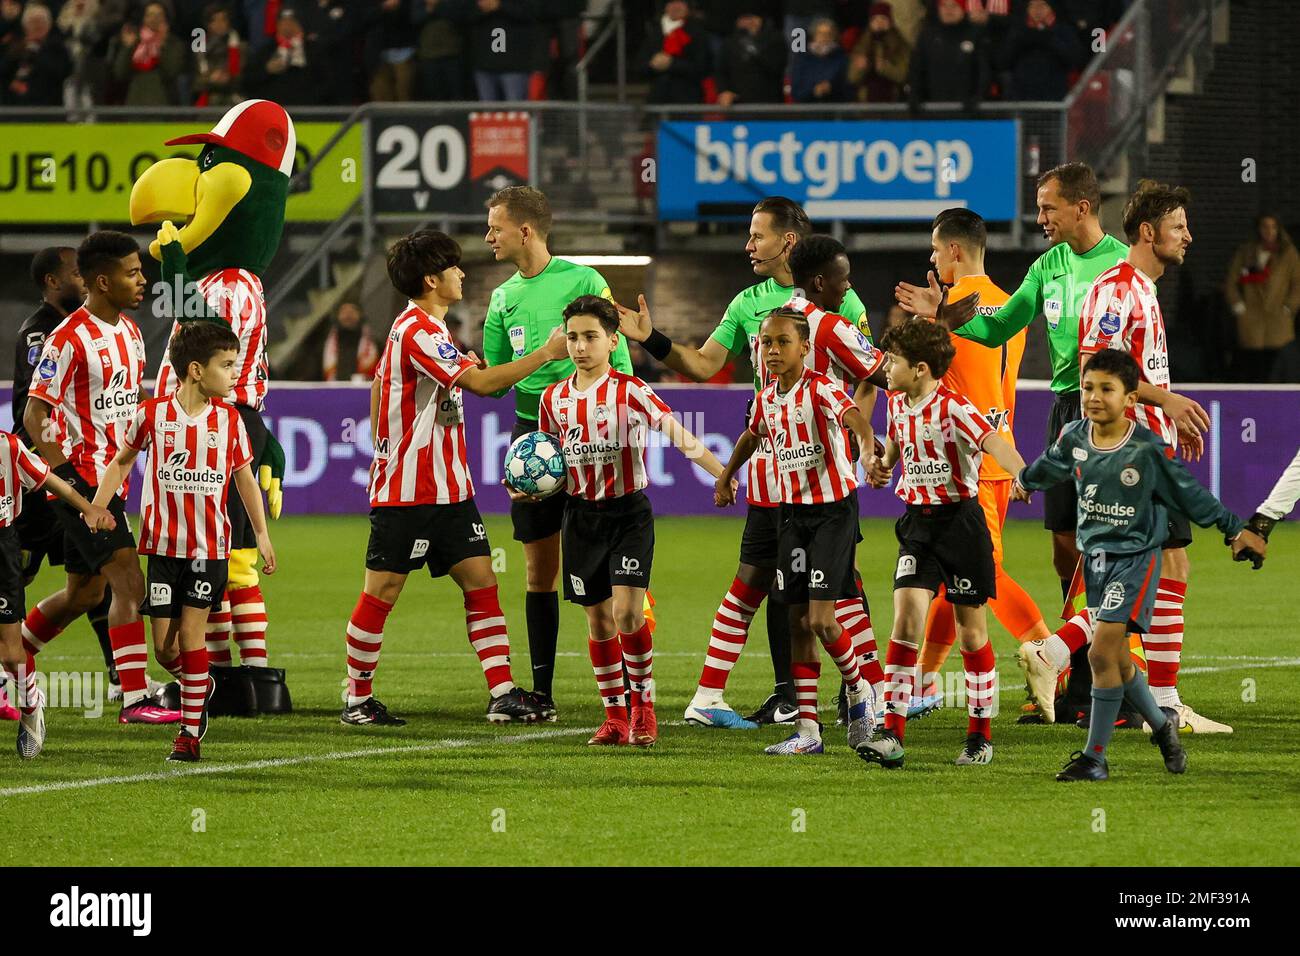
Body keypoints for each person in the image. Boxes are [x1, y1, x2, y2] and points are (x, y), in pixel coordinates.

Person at [617, 197, 871, 726]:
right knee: (782, 581)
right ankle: (817, 694)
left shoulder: (836, 299)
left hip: (822, 474)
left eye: (757, 236)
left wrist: (856, 444)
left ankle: (847, 691)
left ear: (789, 242)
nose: (748, 245)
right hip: (775, 470)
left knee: (820, 582)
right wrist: (653, 341)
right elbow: (706, 364)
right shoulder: (745, 304)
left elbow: (866, 376)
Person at [896, 163, 1130, 721]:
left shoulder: (1122, 263)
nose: (1039, 217)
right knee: (1058, 554)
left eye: (1048, 207)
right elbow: (998, 334)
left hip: (997, 452)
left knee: (986, 573)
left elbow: (958, 396)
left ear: (1082, 205)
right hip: (1050, 422)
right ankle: (945, 678)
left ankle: (1083, 669)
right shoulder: (1030, 278)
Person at [341, 230, 569, 727]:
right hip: (408, 491)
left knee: (481, 580)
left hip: (450, 490)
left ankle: (503, 691)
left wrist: (383, 439)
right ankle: (357, 699)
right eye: (454, 267)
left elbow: (382, 383)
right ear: (431, 279)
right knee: (382, 592)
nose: (462, 273)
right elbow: (484, 386)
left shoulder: (429, 331)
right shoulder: (417, 330)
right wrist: (547, 354)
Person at [1017, 349, 1266, 781]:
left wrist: (1234, 529)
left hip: (1137, 562)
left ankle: (1094, 758)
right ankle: (1163, 724)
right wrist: (1024, 481)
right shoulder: (1076, 437)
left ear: (1131, 398)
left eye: (1106, 389)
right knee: (1121, 663)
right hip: (1096, 562)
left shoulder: (1147, 449)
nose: (1094, 397)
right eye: (1088, 387)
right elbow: (1049, 467)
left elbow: (1191, 495)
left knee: (1099, 654)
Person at [682, 235, 888, 730]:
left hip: (784, 485)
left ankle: (733, 696)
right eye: (842, 279)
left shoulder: (774, 322)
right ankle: (870, 691)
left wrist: (732, 476)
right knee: (827, 593)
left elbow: (766, 413)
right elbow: (886, 374)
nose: (848, 287)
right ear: (821, 281)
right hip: (809, 491)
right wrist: (934, 332)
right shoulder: (825, 327)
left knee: (774, 590)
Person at [529, 296, 728, 747]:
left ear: (613, 341)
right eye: (574, 337)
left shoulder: (630, 390)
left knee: (626, 613)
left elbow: (679, 435)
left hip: (627, 515)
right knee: (598, 621)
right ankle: (615, 717)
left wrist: (722, 475)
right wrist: (530, 486)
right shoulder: (553, 398)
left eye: (591, 337)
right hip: (579, 517)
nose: (581, 347)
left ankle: (644, 707)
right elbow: (549, 458)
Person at [1069, 180, 1229, 735]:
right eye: (1179, 227)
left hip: (1145, 444)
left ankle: (1056, 655)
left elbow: (1134, 375)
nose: (1189, 236)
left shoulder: (1142, 290)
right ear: (1147, 231)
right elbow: (1098, 373)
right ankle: (1160, 702)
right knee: (1163, 569)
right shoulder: (1118, 290)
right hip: (1127, 453)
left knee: (1147, 572)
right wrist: (1168, 405)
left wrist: (1168, 417)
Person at [92, 322, 276, 762]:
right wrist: (98, 506)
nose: (236, 373)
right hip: (162, 549)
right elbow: (121, 461)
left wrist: (263, 535)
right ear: (196, 370)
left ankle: (189, 735)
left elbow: (245, 480)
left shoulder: (230, 420)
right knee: (165, 649)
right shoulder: (152, 414)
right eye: (227, 365)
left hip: (209, 550)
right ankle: (200, 683)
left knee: (193, 638)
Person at [481, 186, 633, 720]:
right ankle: (542, 693)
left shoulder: (585, 280)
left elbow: (621, 359)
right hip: (533, 437)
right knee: (538, 570)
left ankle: (633, 690)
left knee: (618, 575)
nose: (487, 236)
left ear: (524, 230)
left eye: (495, 226)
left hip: (589, 429)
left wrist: (625, 424)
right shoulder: (502, 299)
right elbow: (496, 382)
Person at [21, 231, 180, 725]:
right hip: (83, 483)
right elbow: (33, 415)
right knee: (129, 583)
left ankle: (15, 654)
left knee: (84, 593)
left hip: (113, 481)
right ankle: (135, 698)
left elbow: (126, 407)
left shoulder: (130, 332)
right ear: (102, 281)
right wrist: (71, 487)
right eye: (133, 273)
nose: (143, 280)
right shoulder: (67, 338)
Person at [859, 318, 1028, 769]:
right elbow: (895, 447)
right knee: (905, 621)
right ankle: (891, 732)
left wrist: (1020, 472)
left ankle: (979, 736)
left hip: (961, 525)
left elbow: (992, 440)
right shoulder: (897, 403)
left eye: (892, 361)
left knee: (972, 634)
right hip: (917, 526)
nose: (885, 367)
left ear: (919, 369)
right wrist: (882, 466)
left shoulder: (954, 407)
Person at [714, 309, 881, 757]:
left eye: (782, 342)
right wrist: (727, 474)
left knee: (822, 619)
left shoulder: (821, 388)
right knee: (796, 622)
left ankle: (858, 687)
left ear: (805, 348)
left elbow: (855, 420)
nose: (771, 350)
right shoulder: (768, 397)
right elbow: (753, 436)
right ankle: (808, 731)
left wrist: (866, 450)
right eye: (766, 342)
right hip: (791, 517)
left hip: (832, 514)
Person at [912, 209, 1051, 720]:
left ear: (953, 250)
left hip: (960, 461)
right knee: (957, 577)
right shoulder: (1010, 307)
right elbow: (1002, 386)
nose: (931, 257)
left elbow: (919, 383)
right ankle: (926, 680)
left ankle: (1049, 652)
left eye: (934, 247)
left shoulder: (945, 311)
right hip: (997, 451)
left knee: (980, 572)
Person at [7, 247, 121, 720]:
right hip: (38, 476)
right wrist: (62, 468)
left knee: (96, 581)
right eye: (77, 274)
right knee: (17, 575)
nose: (86, 279)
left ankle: (120, 676)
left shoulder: (92, 330)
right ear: (53, 282)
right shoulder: (43, 333)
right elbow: (39, 409)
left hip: (71, 475)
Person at [1, 428, 115, 759]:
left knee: (10, 653)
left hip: (2, 550)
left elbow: (50, 480)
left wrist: (88, 508)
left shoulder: (8, 447)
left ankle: (31, 706)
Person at [1223, 214, 1300, 384]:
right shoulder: (1247, 252)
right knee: (1252, 368)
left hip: (1278, 319)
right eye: (1265, 227)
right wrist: (1238, 306)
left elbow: (1297, 284)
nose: (1269, 232)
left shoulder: (1288, 253)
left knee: (1278, 367)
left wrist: (1289, 308)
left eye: (1273, 227)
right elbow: (1231, 281)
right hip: (1251, 318)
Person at [907, 0, 989, 113]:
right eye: (944, 6)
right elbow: (916, 69)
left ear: (962, 8)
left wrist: (978, 97)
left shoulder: (975, 34)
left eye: (954, 5)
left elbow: (983, 70)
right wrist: (915, 96)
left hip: (967, 113)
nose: (948, 10)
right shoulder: (927, 36)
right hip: (933, 110)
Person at [999, 0, 1084, 102]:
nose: (1037, 9)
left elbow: (1075, 59)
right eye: (1032, 5)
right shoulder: (1017, 32)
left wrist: (1049, 39)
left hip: (1054, 96)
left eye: (1042, 5)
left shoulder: (1064, 30)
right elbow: (1003, 61)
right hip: (1022, 97)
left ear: (1051, 7)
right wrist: (1022, 40)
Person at [108, 2, 188, 105]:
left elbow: (170, 72)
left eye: (158, 15)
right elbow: (120, 73)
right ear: (143, 19)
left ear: (166, 19)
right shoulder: (135, 42)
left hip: (165, 106)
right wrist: (128, 48)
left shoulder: (174, 44)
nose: (154, 19)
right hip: (135, 105)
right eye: (149, 15)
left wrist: (162, 44)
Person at [242, 7, 324, 105]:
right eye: (283, 22)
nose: (287, 26)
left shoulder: (314, 50)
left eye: (292, 22)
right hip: (274, 110)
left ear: (300, 24)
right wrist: (266, 70)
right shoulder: (266, 51)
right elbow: (247, 81)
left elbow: (326, 82)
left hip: (308, 110)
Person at [639, 0, 711, 105]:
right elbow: (640, 65)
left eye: (680, 3)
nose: (676, 7)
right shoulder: (654, 32)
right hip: (658, 99)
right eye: (672, 3)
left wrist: (672, 64)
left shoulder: (698, 32)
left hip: (688, 99)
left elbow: (703, 67)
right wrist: (652, 65)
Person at [0, 3, 71, 106]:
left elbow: (59, 73)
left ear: (48, 26)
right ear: (25, 27)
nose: (37, 26)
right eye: (32, 23)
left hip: (45, 103)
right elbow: (3, 71)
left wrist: (36, 48)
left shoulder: (58, 47)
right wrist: (12, 83)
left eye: (41, 22)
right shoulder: (16, 46)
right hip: (14, 103)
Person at [714, 9, 784, 107]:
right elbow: (721, 71)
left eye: (752, 18)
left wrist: (753, 48)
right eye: (744, 18)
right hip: (736, 103)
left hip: (769, 102)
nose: (748, 22)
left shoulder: (775, 40)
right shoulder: (729, 43)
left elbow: (776, 67)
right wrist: (724, 91)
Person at [847, 1, 909, 103]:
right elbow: (852, 78)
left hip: (894, 102)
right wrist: (860, 69)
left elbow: (904, 75)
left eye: (883, 19)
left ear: (890, 22)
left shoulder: (901, 45)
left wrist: (886, 68)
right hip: (866, 103)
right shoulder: (862, 45)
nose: (879, 23)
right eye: (875, 19)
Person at [790, 17, 847, 104]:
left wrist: (831, 88)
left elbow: (847, 89)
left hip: (833, 109)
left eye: (828, 34)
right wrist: (813, 91)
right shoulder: (802, 59)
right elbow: (796, 91)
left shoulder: (841, 58)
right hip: (807, 110)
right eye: (820, 33)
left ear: (834, 36)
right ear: (814, 35)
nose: (824, 37)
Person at [322, 301, 379, 382]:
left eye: (352, 311)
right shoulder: (324, 343)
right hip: (332, 391)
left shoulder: (374, 342)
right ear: (337, 316)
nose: (348, 315)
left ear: (360, 315)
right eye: (344, 311)